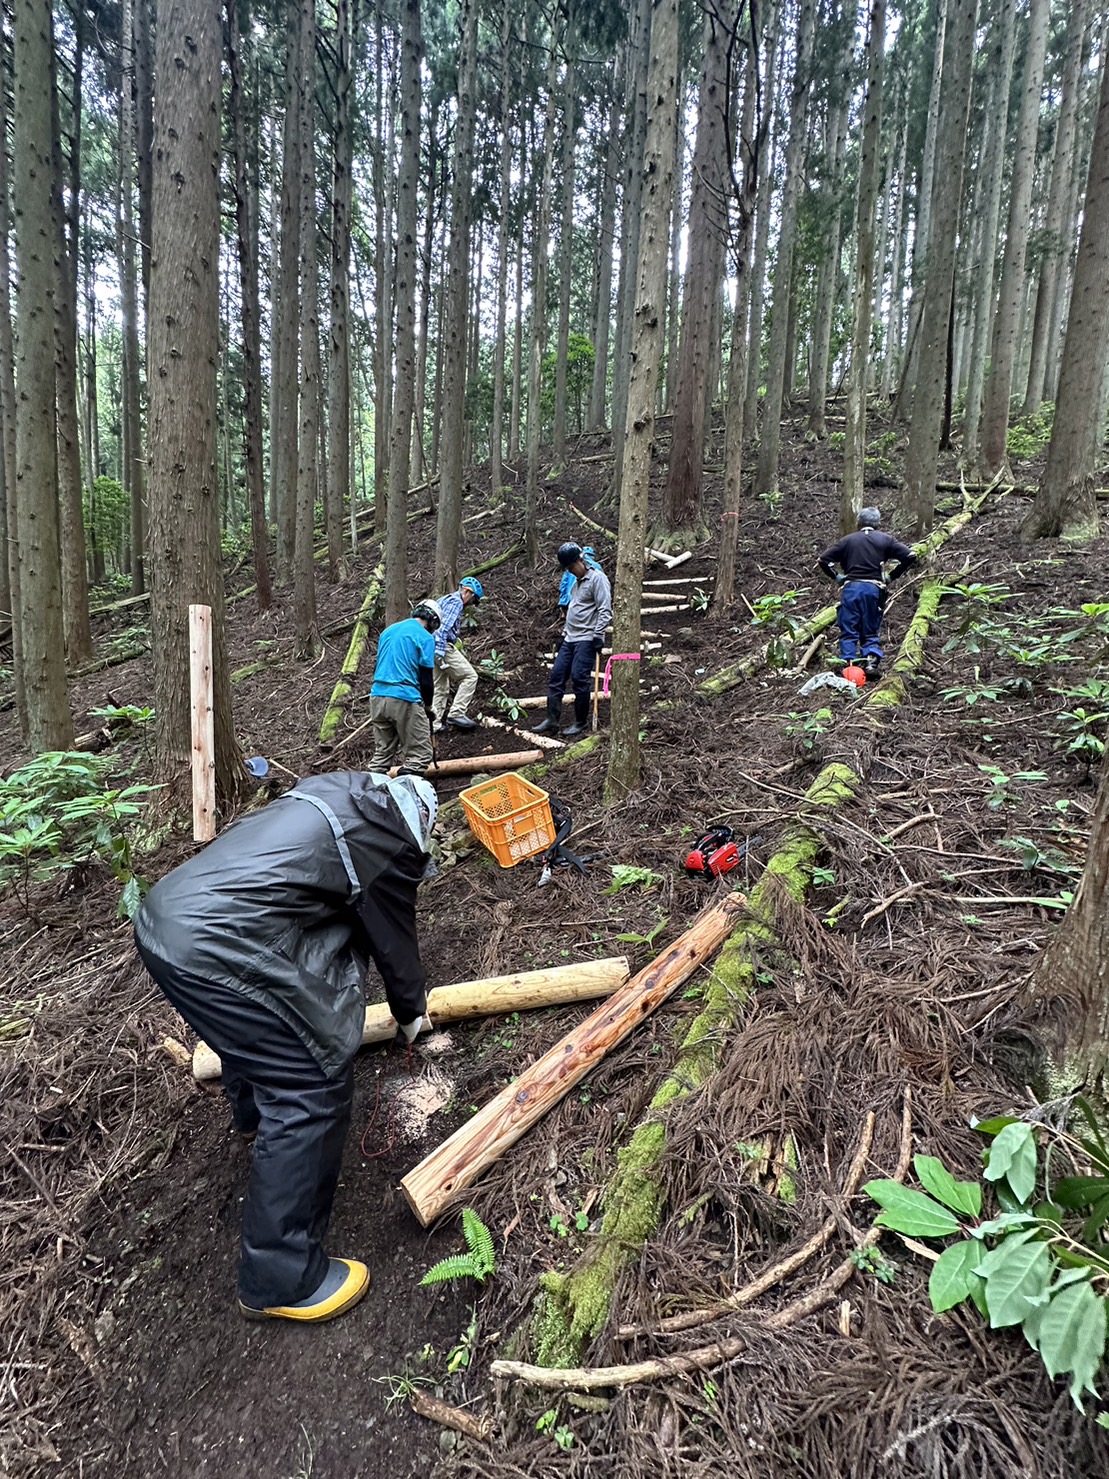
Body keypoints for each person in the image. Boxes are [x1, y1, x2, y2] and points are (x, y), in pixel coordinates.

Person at [133, 770, 437, 1324]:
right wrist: (411, 1013)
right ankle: (282, 1277)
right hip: (213, 943)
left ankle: (251, 1116)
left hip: (163, 920)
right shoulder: (390, 843)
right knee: (309, 1083)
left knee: (254, 1023)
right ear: (417, 823)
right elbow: (394, 942)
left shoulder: (332, 797)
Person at [817, 507, 916, 678]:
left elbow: (823, 560)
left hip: (852, 587)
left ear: (859, 523)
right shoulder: (885, 539)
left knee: (849, 626)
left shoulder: (848, 540)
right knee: (870, 626)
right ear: (878, 523)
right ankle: (870, 662)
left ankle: (848, 664)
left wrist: (837, 577)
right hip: (873, 588)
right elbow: (910, 555)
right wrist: (892, 576)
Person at [534, 542, 612, 737]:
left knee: (579, 678)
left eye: (571, 567)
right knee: (557, 676)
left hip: (587, 639)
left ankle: (580, 721)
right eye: (567, 569)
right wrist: (564, 634)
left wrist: (598, 636)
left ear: (580, 561)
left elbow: (605, 610)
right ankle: (551, 720)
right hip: (570, 638)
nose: (570, 571)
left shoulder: (597, 579)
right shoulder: (576, 583)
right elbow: (574, 610)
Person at [368, 599, 440, 774]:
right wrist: (429, 707)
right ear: (433, 621)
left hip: (377, 697)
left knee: (381, 756)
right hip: (404, 698)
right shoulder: (425, 637)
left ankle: (368, 793)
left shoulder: (387, 632)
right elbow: (426, 679)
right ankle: (407, 793)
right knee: (420, 755)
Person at [431, 576, 483, 733]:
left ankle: (434, 725)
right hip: (441, 646)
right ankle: (456, 713)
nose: (470, 604)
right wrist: (440, 652)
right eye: (473, 600)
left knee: (439, 687)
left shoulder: (445, 599)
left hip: (430, 646)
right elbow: (442, 628)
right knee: (470, 676)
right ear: (467, 592)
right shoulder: (456, 602)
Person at [558, 544, 601, 617]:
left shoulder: (569, 567)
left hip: (571, 601)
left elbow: (563, 585)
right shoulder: (596, 567)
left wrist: (563, 602)